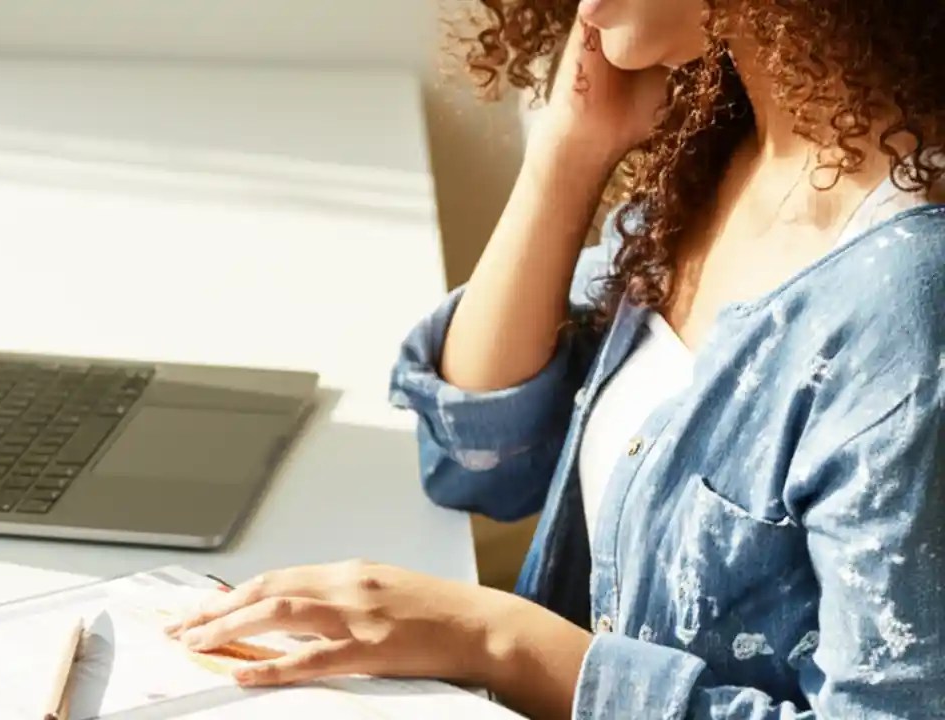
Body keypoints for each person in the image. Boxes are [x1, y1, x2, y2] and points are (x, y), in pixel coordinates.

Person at [167, 1, 945, 717]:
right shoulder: (729, 158)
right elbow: (479, 456)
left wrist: (500, 642)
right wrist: (569, 153)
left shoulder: (904, 309)